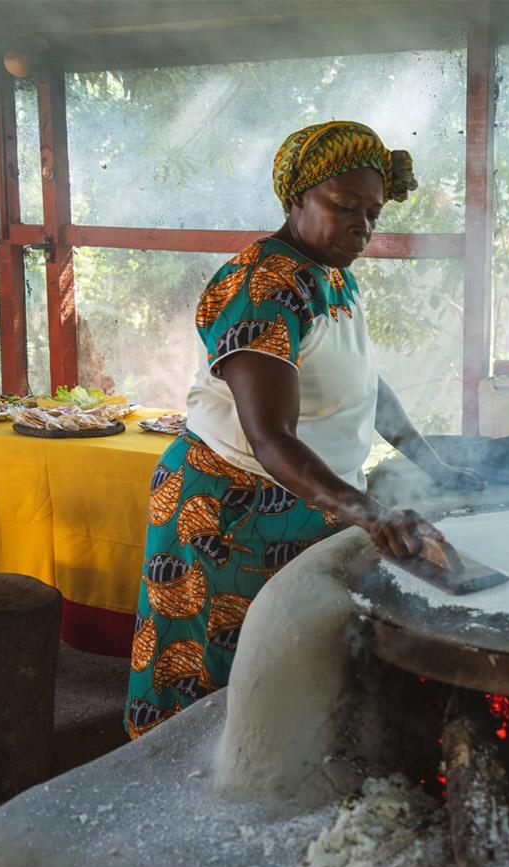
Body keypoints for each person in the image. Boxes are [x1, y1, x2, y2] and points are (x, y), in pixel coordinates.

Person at [125, 121, 482, 738]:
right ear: (295, 200)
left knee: (274, 674)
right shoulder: (262, 285)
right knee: (214, 684)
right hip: (229, 511)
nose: (362, 228)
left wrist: (436, 467)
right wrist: (372, 515)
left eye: (372, 214)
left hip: (299, 503)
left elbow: (367, 388)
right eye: (345, 207)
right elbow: (271, 438)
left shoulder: (331, 274)